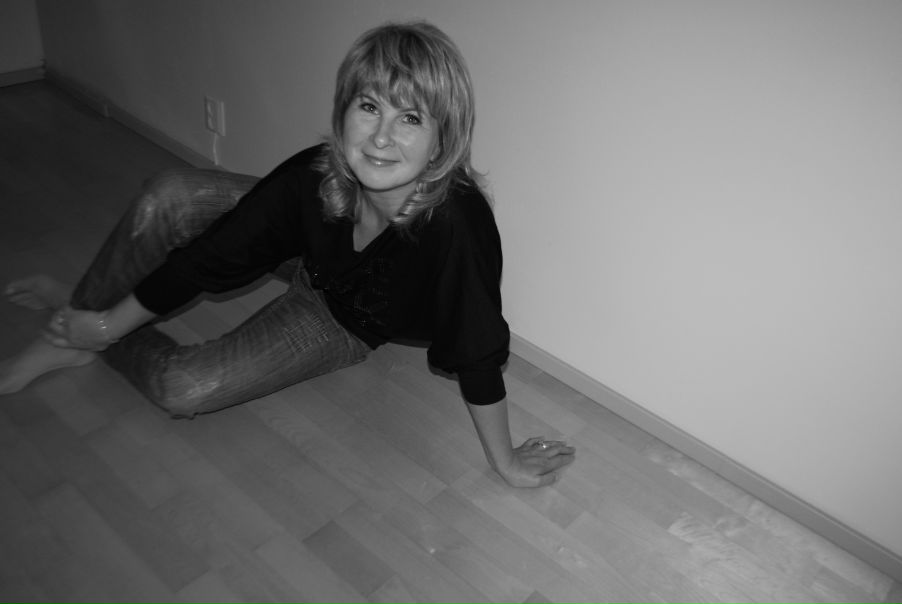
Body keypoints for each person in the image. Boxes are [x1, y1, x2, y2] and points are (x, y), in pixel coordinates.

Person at [0, 21, 574, 487]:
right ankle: (75, 327)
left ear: (442, 139)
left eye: (410, 118)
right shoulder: (318, 175)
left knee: (183, 388)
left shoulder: (457, 226)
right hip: (311, 257)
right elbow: (210, 257)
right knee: (172, 193)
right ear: (343, 112)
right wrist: (106, 320)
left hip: (347, 319)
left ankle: (92, 331)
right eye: (369, 106)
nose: (381, 137)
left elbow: (476, 347)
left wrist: (505, 462)